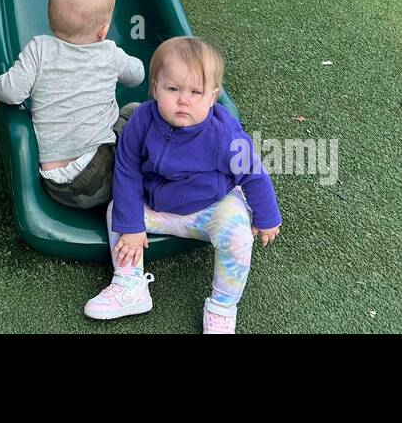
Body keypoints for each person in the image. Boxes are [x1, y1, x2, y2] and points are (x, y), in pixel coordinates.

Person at [84, 36, 282, 334]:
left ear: (213, 97)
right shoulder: (142, 120)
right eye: (173, 89)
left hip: (211, 206)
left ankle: (222, 307)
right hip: (158, 205)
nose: (183, 100)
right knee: (118, 211)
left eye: (195, 92)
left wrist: (267, 219)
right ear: (155, 89)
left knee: (239, 233)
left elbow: (253, 173)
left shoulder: (224, 132)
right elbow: (126, 170)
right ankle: (129, 284)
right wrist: (133, 227)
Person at [0, 0, 144, 208]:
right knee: (136, 112)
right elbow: (137, 75)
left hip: (59, 186)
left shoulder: (39, 49)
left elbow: (12, 91)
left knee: (123, 120)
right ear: (103, 31)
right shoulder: (109, 52)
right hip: (102, 173)